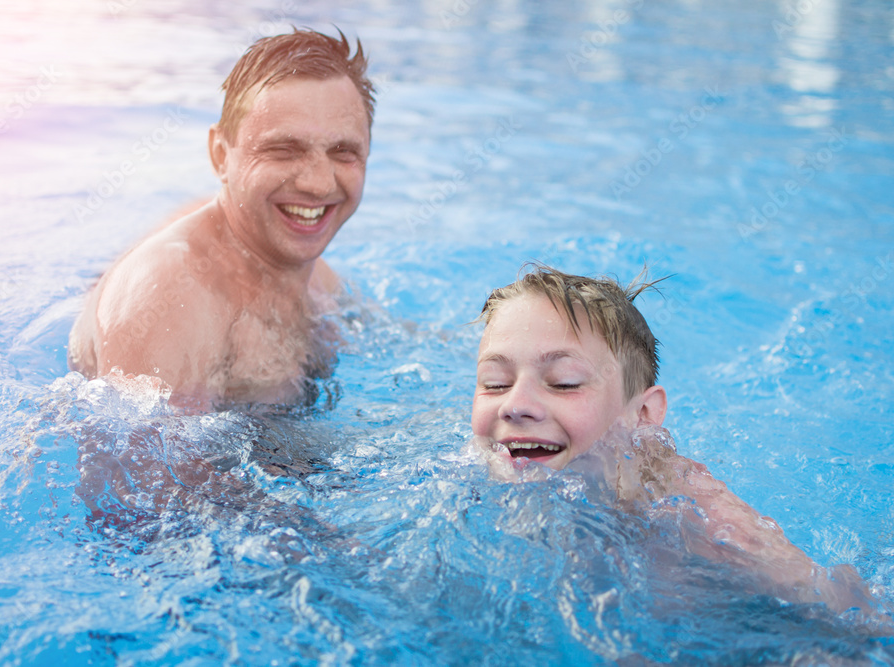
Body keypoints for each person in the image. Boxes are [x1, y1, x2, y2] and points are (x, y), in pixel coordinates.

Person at [469, 264, 880, 615]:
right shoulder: (462, 472)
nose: (516, 404)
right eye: (496, 383)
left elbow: (847, 613)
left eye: (563, 383)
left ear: (642, 415)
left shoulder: (697, 518)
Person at [68, 28, 375, 410]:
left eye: (343, 152)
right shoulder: (170, 301)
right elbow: (130, 465)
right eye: (283, 149)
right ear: (220, 154)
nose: (317, 183)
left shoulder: (321, 283)